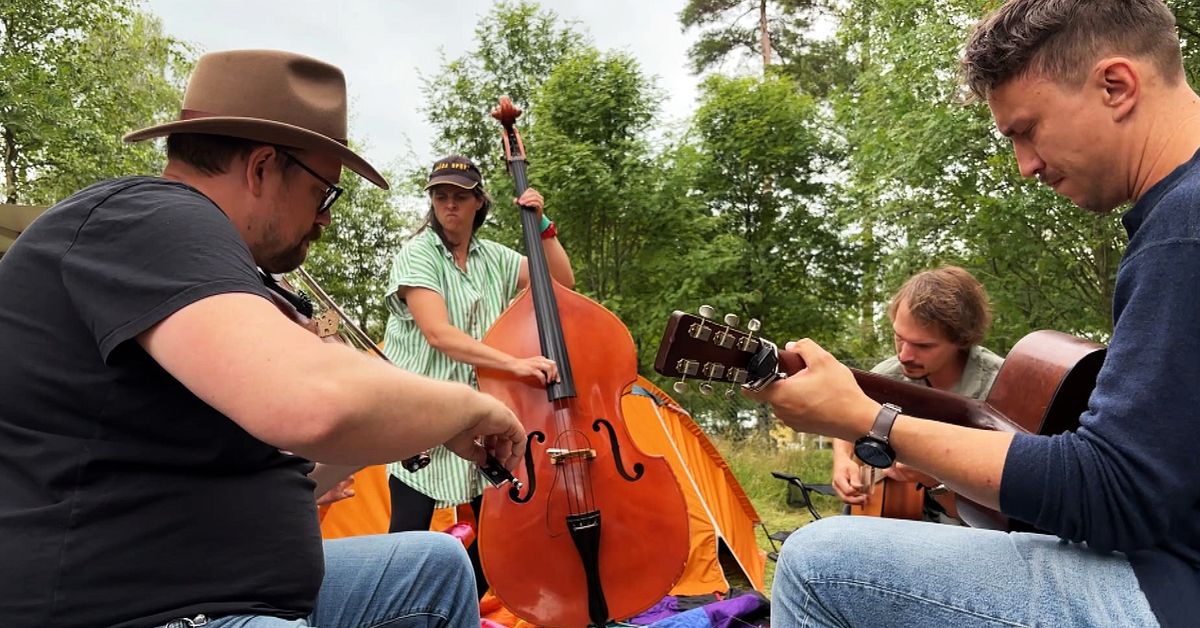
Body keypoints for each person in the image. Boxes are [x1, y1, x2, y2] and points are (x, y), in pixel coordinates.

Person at [0, 50, 526, 628]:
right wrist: (469, 408)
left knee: (436, 564)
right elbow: (312, 401)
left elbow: (281, 458)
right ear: (261, 168)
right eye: (325, 193)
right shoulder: (152, 218)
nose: (325, 219)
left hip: (223, 581)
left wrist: (385, 436)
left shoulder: (210, 272)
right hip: (136, 605)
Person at [750, 1, 1200, 626]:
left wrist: (869, 420)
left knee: (816, 560)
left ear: (1115, 85)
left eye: (1025, 129)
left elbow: (1113, 494)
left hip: (1173, 588)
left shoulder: (1184, 229)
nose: (1026, 165)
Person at [382, 154, 575, 598]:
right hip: (422, 416)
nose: (449, 204)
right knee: (403, 544)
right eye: (441, 195)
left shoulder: (496, 258)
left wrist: (541, 226)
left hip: (479, 417)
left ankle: (445, 609)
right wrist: (516, 365)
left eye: (460, 196)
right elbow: (438, 334)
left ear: (477, 203)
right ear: (432, 202)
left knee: (493, 551)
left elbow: (560, 284)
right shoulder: (417, 254)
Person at [830, 265, 1003, 524]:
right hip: (897, 516)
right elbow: (847, 415)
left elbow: (1003, 514)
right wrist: (843, 460)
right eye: (899, 338)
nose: (904, 355)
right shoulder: (887, 377)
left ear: (963, 340)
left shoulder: (1002, 391)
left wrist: (936, 479)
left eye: (923, 346)